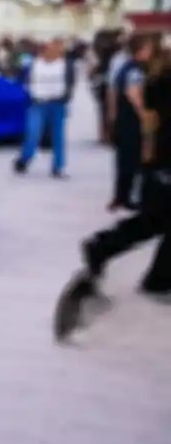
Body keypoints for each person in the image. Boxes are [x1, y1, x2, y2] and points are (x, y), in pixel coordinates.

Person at [59, 39, 171, 340]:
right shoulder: (161, 81)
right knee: (155, 221)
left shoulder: (156, 78)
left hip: (158, 163)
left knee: (154, 221)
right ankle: (153, 279)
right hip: (164, 163)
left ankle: (108, 250)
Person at [14, 37, 74, 178]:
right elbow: (22, 79)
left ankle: (58, 167)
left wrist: (65, 98)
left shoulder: (66, 65)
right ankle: (24, 158)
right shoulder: (34, 64)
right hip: (38, 102)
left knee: (58, 136)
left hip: (57, 103)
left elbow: (70, 82)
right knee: (33, 133)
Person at [109, 35, 153, 211]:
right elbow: (133, 93)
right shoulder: (135, 70)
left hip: (122, 119)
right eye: (148, 49)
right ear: (140, 50)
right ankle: (127, 197)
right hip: (131, 121)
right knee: (132, 159)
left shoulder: (124, 67)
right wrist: (144, 114)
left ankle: (120, 195)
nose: (150, 52)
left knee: (123, 160)